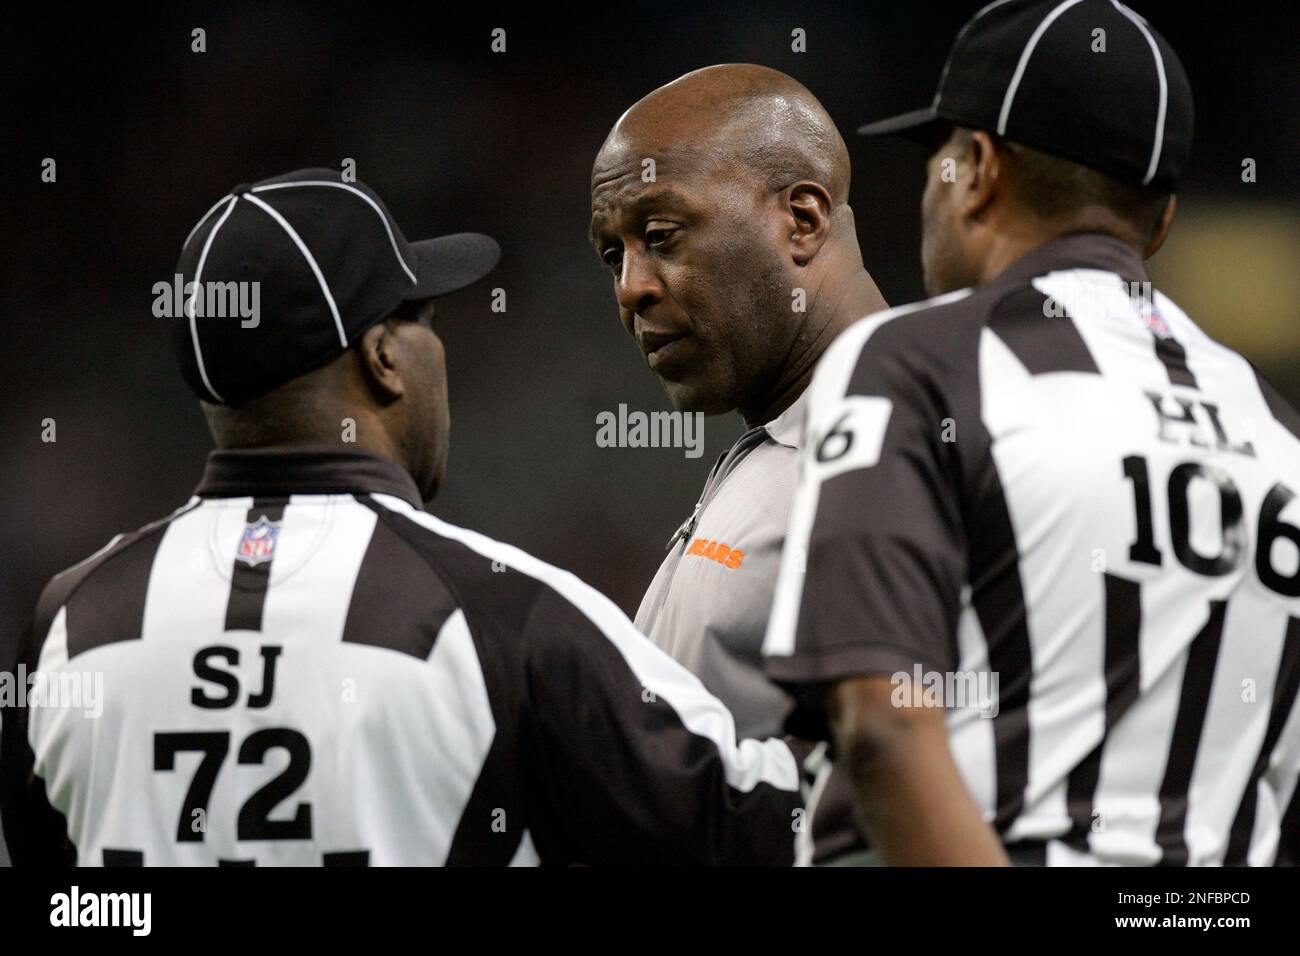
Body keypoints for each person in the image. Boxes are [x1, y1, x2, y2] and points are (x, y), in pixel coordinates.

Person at [0, 168, 802, 866]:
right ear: (383, 357)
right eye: (423, 318)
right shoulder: (504, 616)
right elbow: (767, 828)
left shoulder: (70, 617)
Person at [764, 0, 1300, 866]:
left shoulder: (917, 363)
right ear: (1159, 222)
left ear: (975, 169)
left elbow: (881, 724)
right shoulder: (1281, 439)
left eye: (938, 155)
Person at [590, 65, 889, 862]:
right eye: (611, 256)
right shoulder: (778, 445)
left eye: (659, 238)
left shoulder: (911, 449)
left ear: (801, 220)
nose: (630, 289)